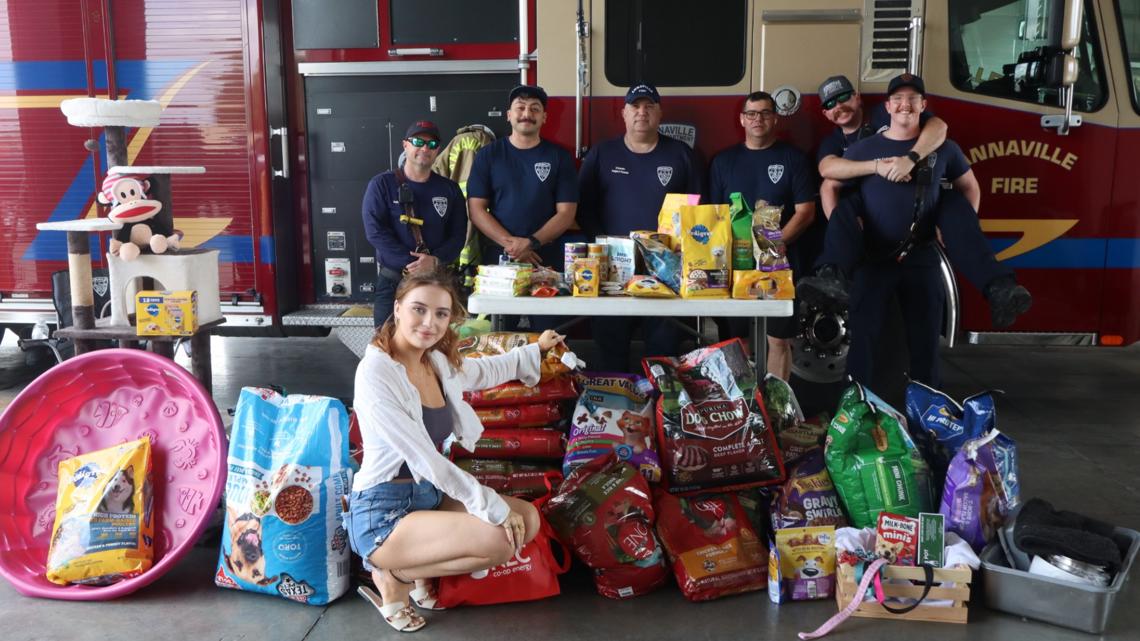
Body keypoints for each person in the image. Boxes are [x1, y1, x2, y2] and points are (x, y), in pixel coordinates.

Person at [347, 268, 565, 632]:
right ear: (397, 308)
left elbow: (482, 371)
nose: (429, 323)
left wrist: (535, 351)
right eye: (419, 309)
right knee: (499, 538)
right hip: (383, 511)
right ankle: (390, 574)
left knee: (526, 519)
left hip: (426, 496)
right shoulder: (376, 373)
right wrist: (489, 505)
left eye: (441, 314)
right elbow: (426, 460)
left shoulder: (432, 360)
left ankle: (412, 571)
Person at [803, 74, 1032, 329]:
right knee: (846, 207)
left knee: (955, 205)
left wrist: (911, 159)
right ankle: (831, 278)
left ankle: (1000, 289)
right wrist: (876, 167)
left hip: (923, 204)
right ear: (824, 113)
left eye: (844, 98)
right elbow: (827, 172)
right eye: (830, 104)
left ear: (858, 97)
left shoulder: (892, 112)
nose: (839, 107)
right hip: (869, 210)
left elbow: (940, 128)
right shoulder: (837, 143)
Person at [821, 74, 980, 388]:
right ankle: (856, 417)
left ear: (923, 105)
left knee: (925, 345)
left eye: (912, 99)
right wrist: (845, 230)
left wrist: (957, 227)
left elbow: (967, 181)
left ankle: (926, 419)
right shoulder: (857, 146)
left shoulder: (933, 139)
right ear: (887, 105)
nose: (904, 105)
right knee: (862, 340)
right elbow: (828, 177)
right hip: (874, 258)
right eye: (898, 99)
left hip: (922, 257)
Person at [577, 83, 701, 372]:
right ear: (623, 113)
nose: (641, 112)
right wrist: (601, 246)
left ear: (660, 113)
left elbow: (697, 211)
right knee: (611, 347)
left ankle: (661, 411)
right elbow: (583, 207)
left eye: (649, 106)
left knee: (663, 352)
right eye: (635, 106)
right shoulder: (601, 154)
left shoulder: (682, 155)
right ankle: (618, 408)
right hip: (612, 270)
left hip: (666, 271)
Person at [707, 90, 816, 380]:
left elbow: (806, 212)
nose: (758, 119)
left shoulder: (793, 159)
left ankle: (777, 411)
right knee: (737, 341)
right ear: (742, 119)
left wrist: (772, 247)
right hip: (736, 265)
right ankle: (743, 409)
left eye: (766, 113)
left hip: (779, 264)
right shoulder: (723, 161)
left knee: (779, 340)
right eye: (752, 114)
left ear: (775, 119)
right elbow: (715, 216)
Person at [362, 120, 467, 327]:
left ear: (438, 149)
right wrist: (412, 265)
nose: (424, 148)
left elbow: (458, 236)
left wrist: (434, 261)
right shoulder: (381, 184)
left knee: (433, 347)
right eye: (418, 141)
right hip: (393, 283)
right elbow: (375, 231)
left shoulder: (450, 190)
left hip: (436, 283)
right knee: (387, 347)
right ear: (405, 145)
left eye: (432, 144)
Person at [467, 85, 578, 270]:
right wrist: (514, 247)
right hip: (500, 254)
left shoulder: (560, 157)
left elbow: (566, 213)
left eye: (535, 109)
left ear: (544, 117)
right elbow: (476, 210)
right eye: (520, 107)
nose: (527, 113)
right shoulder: (488, 155)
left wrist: (531, 243)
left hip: (546, 256)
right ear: (509, 115)